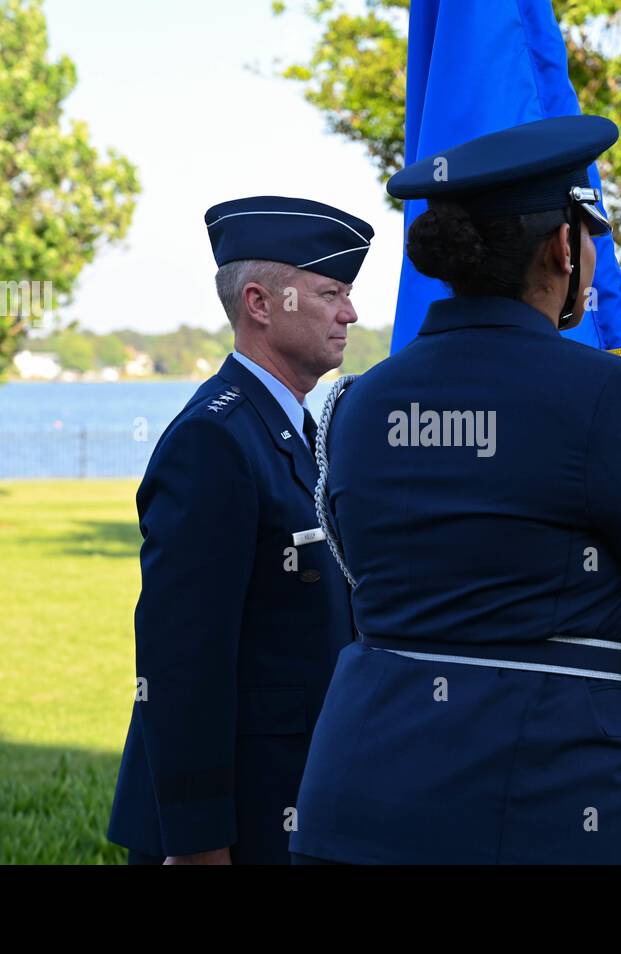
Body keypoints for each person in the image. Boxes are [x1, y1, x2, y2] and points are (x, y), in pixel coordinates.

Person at [290, 115, 621, 865]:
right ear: (563, 246)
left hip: (353, 806)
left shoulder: (356, 402)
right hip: (549, 814)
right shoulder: (620, 399)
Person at [107, 195, 373, 864]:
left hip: (299, 797)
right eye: (331, 292)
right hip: (238, 824)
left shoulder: (298, 428)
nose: (351, 312)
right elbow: (182, 660)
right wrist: (198, 843)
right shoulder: (215, 439)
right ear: (260, 303)